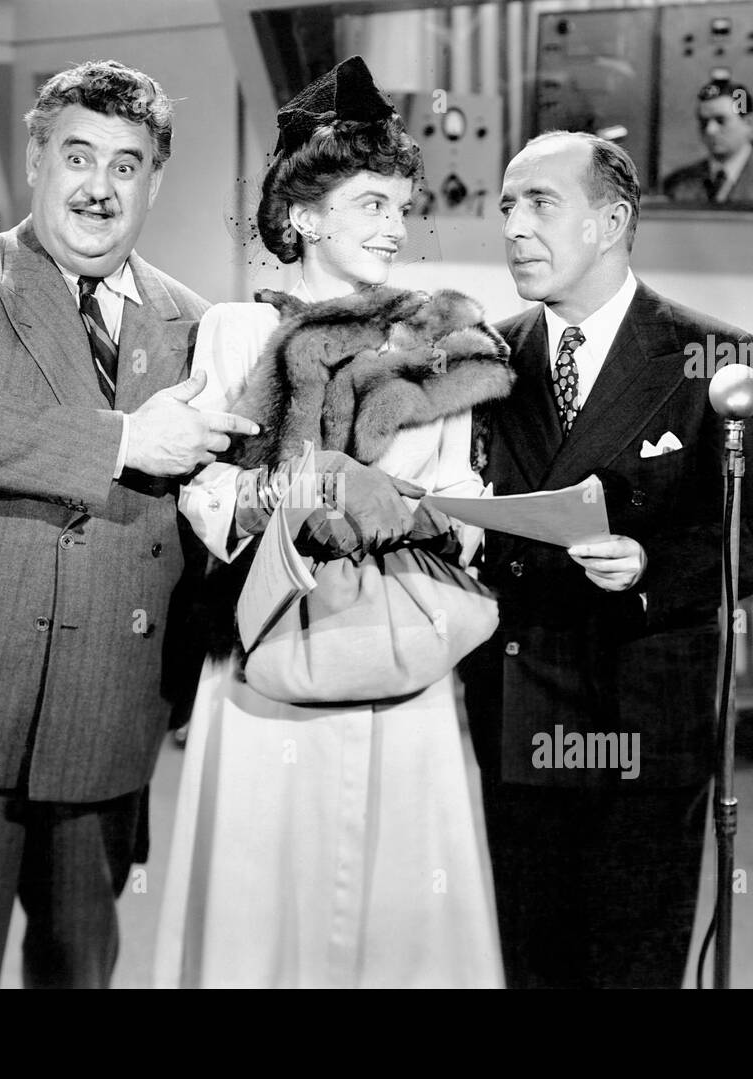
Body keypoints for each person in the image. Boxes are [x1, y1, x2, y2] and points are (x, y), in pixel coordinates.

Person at [0, 59, 256, 989]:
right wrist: (124, 439)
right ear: (35, 160)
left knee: (80, 964)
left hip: (106, 704)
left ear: (154, 181)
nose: (99, 188)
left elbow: (212, 502)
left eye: (126, 165)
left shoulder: (195, 323)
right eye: (78, 156)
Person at [153, 56, 509, 989]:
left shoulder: (437, 339)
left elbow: (458, 492)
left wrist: (437, 515)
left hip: (403, 656)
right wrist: (298, 491)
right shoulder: (236, 331)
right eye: (369, 205)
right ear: (302, 214)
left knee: (402, 927)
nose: (394, 228)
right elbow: (204, 490)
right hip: (269, 650)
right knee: (260, 919)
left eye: (400, 206)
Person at [462, 130, 753, 988]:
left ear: (611, 221)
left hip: (647, 706)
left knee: (633, 954)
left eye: (541, 204)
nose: (514, 228)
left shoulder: (719, 361)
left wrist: (649, 566)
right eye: (507, 206)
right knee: (532, 951)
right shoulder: (488, 361)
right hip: (521, 701)